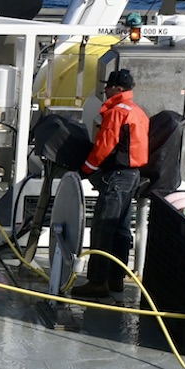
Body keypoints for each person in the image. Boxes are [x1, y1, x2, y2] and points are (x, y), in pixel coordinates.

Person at [71, 66, 150, 299]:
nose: (105, 91)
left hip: (117, 177)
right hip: (133, 176)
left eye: (108, 87)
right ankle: (116, 279)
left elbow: (104, 145)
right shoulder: (138, 111)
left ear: (116, 88)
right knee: (121, 229)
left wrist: (86, 169)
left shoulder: (117, 112)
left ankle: (97, 282)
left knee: (103, 228)